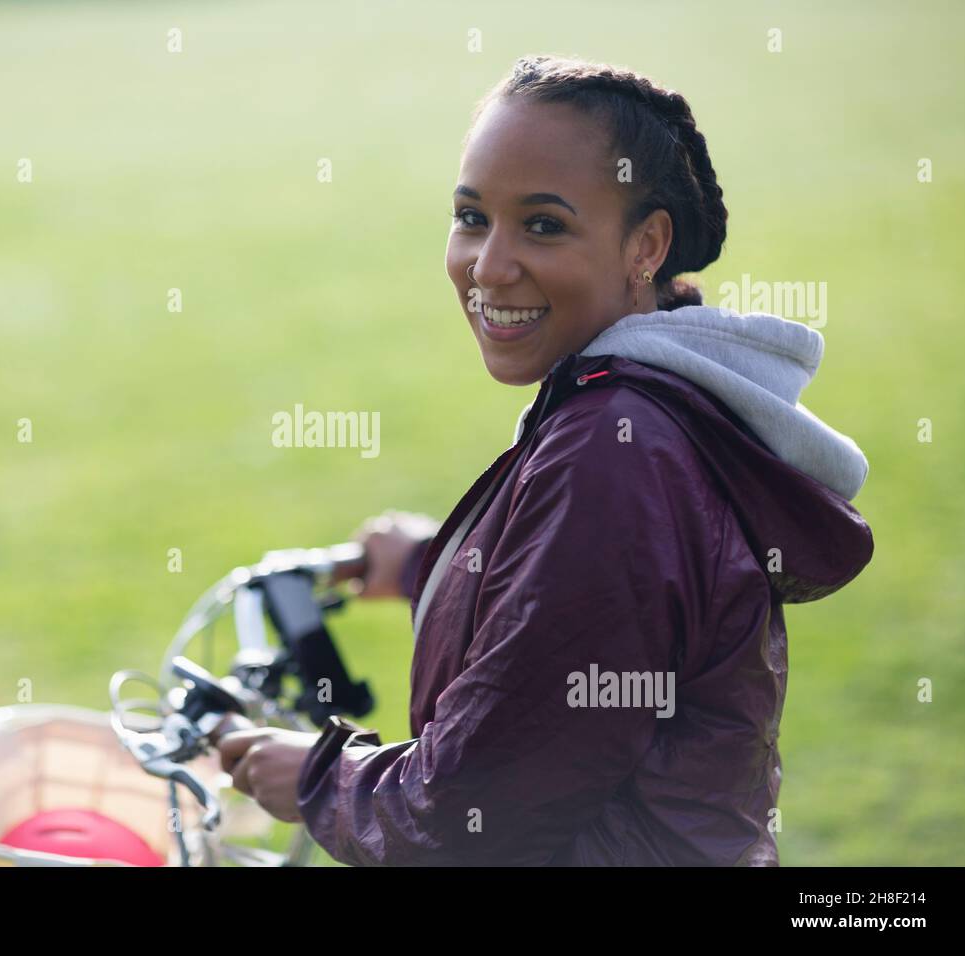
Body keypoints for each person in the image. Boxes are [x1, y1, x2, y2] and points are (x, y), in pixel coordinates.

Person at [214, 54, 874, 866]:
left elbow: (468, 814)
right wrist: (432, 563)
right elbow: (587, 613)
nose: (489, 267)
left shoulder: (616, 448)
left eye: (545, 224)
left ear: (647, 246)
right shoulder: (651, 405)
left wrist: (319, 777)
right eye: (470, 218)